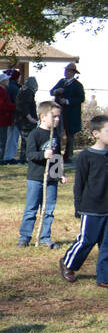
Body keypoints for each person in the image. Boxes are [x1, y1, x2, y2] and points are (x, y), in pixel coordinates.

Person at [60, 114, 108, 286]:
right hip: (91, 207)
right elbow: (79, 184)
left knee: (107, 244)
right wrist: (78, 207)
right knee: (87, 240)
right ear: (96, 134)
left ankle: (104, 278)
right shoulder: (86, 156)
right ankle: (68, 263)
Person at [17, 102, 64, 249]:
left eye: (58, 117)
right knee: (31, 208)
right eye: (54, 116)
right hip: (36, 178)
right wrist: (43, 154)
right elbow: (29, 155)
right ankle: (24, 236)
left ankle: (45, 237)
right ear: (43, 117)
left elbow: (57, 156)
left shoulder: (55, 135)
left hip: (51, 178)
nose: (57, 119)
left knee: (48, 209)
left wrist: (60, 174)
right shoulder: (35, 134)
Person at [51, 63, 86, 163]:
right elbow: (51, 91)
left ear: (73, 73)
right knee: (57, 133)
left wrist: (67, 101)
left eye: (68, 71)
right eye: (66, 71)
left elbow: (81, 98)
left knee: (70, 135)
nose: (66, 73)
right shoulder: (61, 82)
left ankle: (68, 156)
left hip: (71, 114)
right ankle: (56, 154)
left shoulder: (77, 85)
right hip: (59, 113)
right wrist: (57, 91)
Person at [15, 76, 40, 163]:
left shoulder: (22, 92)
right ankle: (30, 158)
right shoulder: (28, 92)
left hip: (21, 121)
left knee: (24, 141)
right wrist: (29, 117)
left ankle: (23, 158)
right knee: (29, 141)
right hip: (26, 121)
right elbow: (24, 106)